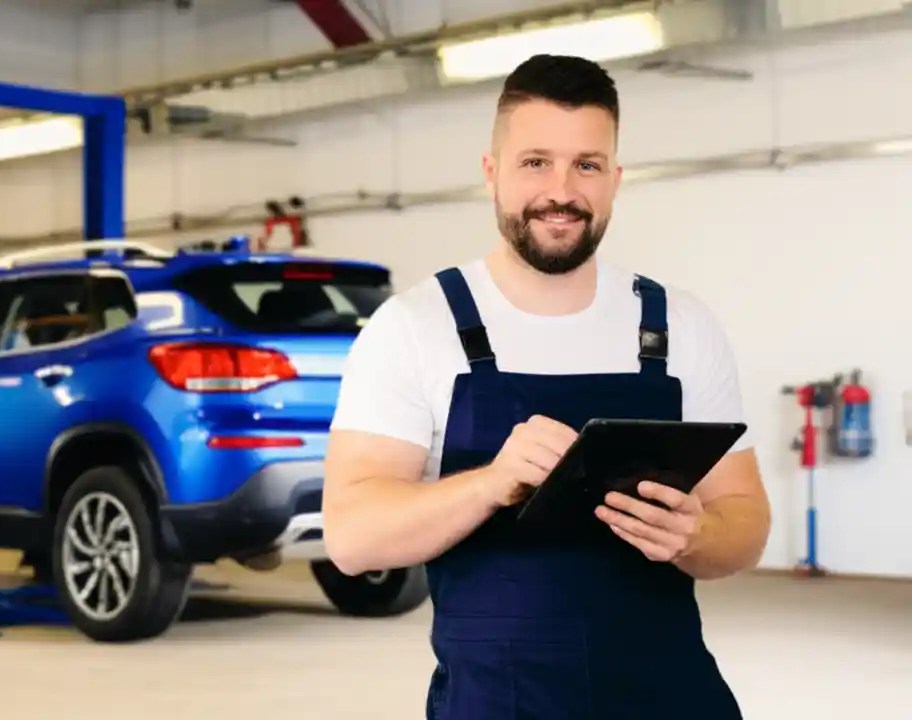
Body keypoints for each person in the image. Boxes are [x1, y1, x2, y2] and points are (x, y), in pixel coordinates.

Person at [323, 54, 771, 720]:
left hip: (674, 700)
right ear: (492, 172)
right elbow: (351, 536)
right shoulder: (416, 328)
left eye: (586, 165)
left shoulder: (679, 326)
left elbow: (748, 522)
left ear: (614, 180)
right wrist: (489, 482)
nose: (561, 190)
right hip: (498, 705)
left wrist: (697, 536)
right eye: (536, 161)